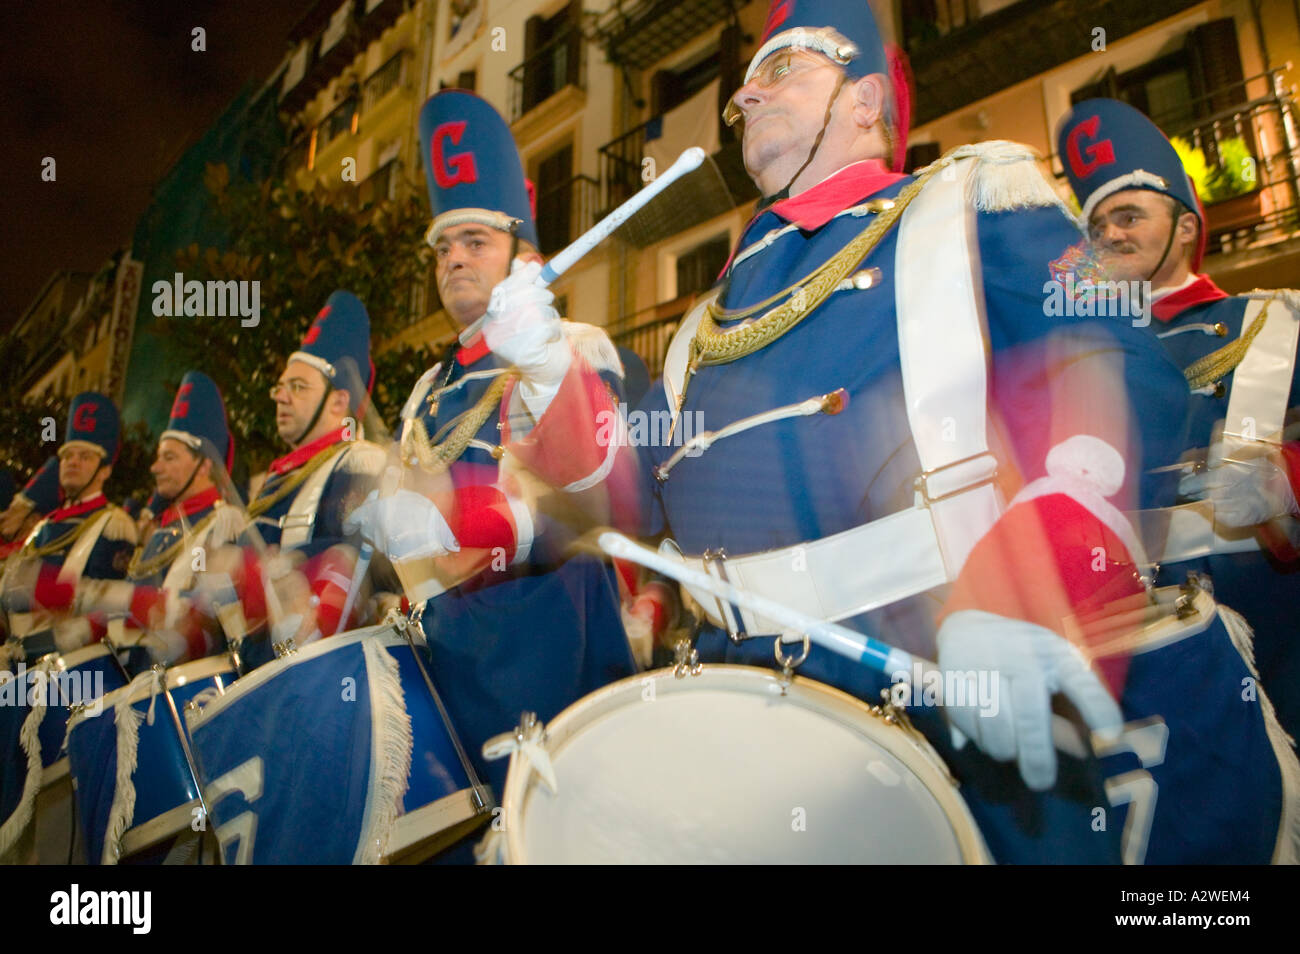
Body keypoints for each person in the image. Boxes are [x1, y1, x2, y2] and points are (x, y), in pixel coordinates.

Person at [631, 0, 1294, 863]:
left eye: (780, 69)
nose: (748, 96)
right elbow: (617, 493)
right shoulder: (702, 322)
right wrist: (544, 375)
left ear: (864, 100)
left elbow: (1116, 359)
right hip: (761, 717)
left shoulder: (978, 194)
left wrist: (1027, 584)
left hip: (950, 675)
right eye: (745, 87)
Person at [347, 90, 638, 810]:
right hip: (442, 667)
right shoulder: (423, 391)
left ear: (527, 262)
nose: (452, 259)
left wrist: (470, 522)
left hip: (549, 658)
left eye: (475, 242)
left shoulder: (571, 348)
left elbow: (607, 505)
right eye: (443, 247)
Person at [1057, 98, 1300, 737]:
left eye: (1130, 214)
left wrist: (1288, 481)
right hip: (1130, 665)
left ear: (1187, 227)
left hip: (1276, 642)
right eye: (1099, 225)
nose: (1110, 235)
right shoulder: (1075, 356)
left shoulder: (1277, 322)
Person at [221, 291, 391, 667]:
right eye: (280, 387)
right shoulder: (276, 480)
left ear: (337, 402)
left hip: (322, 682)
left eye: (297, 387)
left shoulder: (360, 465)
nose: (281, 397)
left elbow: (351, 569)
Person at [71, 371, 246, 668]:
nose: (155, 467)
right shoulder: (165, 528)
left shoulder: (224, 525)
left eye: (169, 458)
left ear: (203, 466)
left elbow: (205, 623)